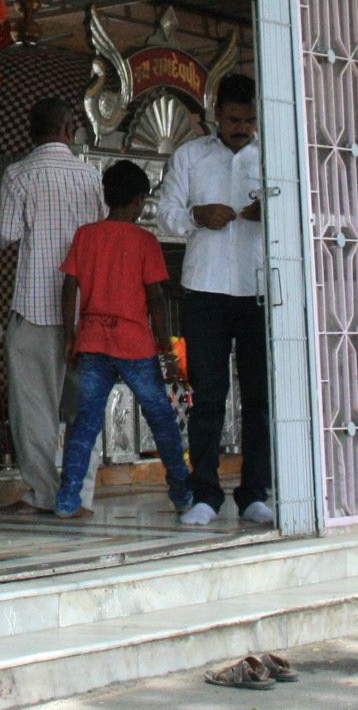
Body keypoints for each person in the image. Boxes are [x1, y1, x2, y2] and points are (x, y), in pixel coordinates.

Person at [156, 73, 272, 526]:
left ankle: (255, 493)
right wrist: (194, 216)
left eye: (249, 120)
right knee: (207, 395)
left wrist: (273, 212)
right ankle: (205, 493)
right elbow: (165, 216)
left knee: (259, 398)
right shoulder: (190, 156)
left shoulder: (271, 156)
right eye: (233, 119)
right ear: (216, 115)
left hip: (259, 288)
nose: (242, 128)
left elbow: (303, 209)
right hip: (205, 288)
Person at [53, 161, 193, 519]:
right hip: (134, 345)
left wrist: (70, 336)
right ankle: (181, 492)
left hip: (93, 341)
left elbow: (70, 287)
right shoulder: (145, 241)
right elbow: (156, 300)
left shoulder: (86, 235)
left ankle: (68, 500)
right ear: (139, 201)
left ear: (106, 196)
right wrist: (166, 350)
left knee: (83, 423)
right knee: (162, 418)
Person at [0, 97, 104, 513]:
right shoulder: (91, 177)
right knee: (84, 407)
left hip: (35, 307)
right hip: (85, 310)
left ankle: (43, 492)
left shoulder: (19, 174)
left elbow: (4, 234)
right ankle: (80, 494)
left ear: (30, 132)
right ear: (68, 129)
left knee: (34, 409)